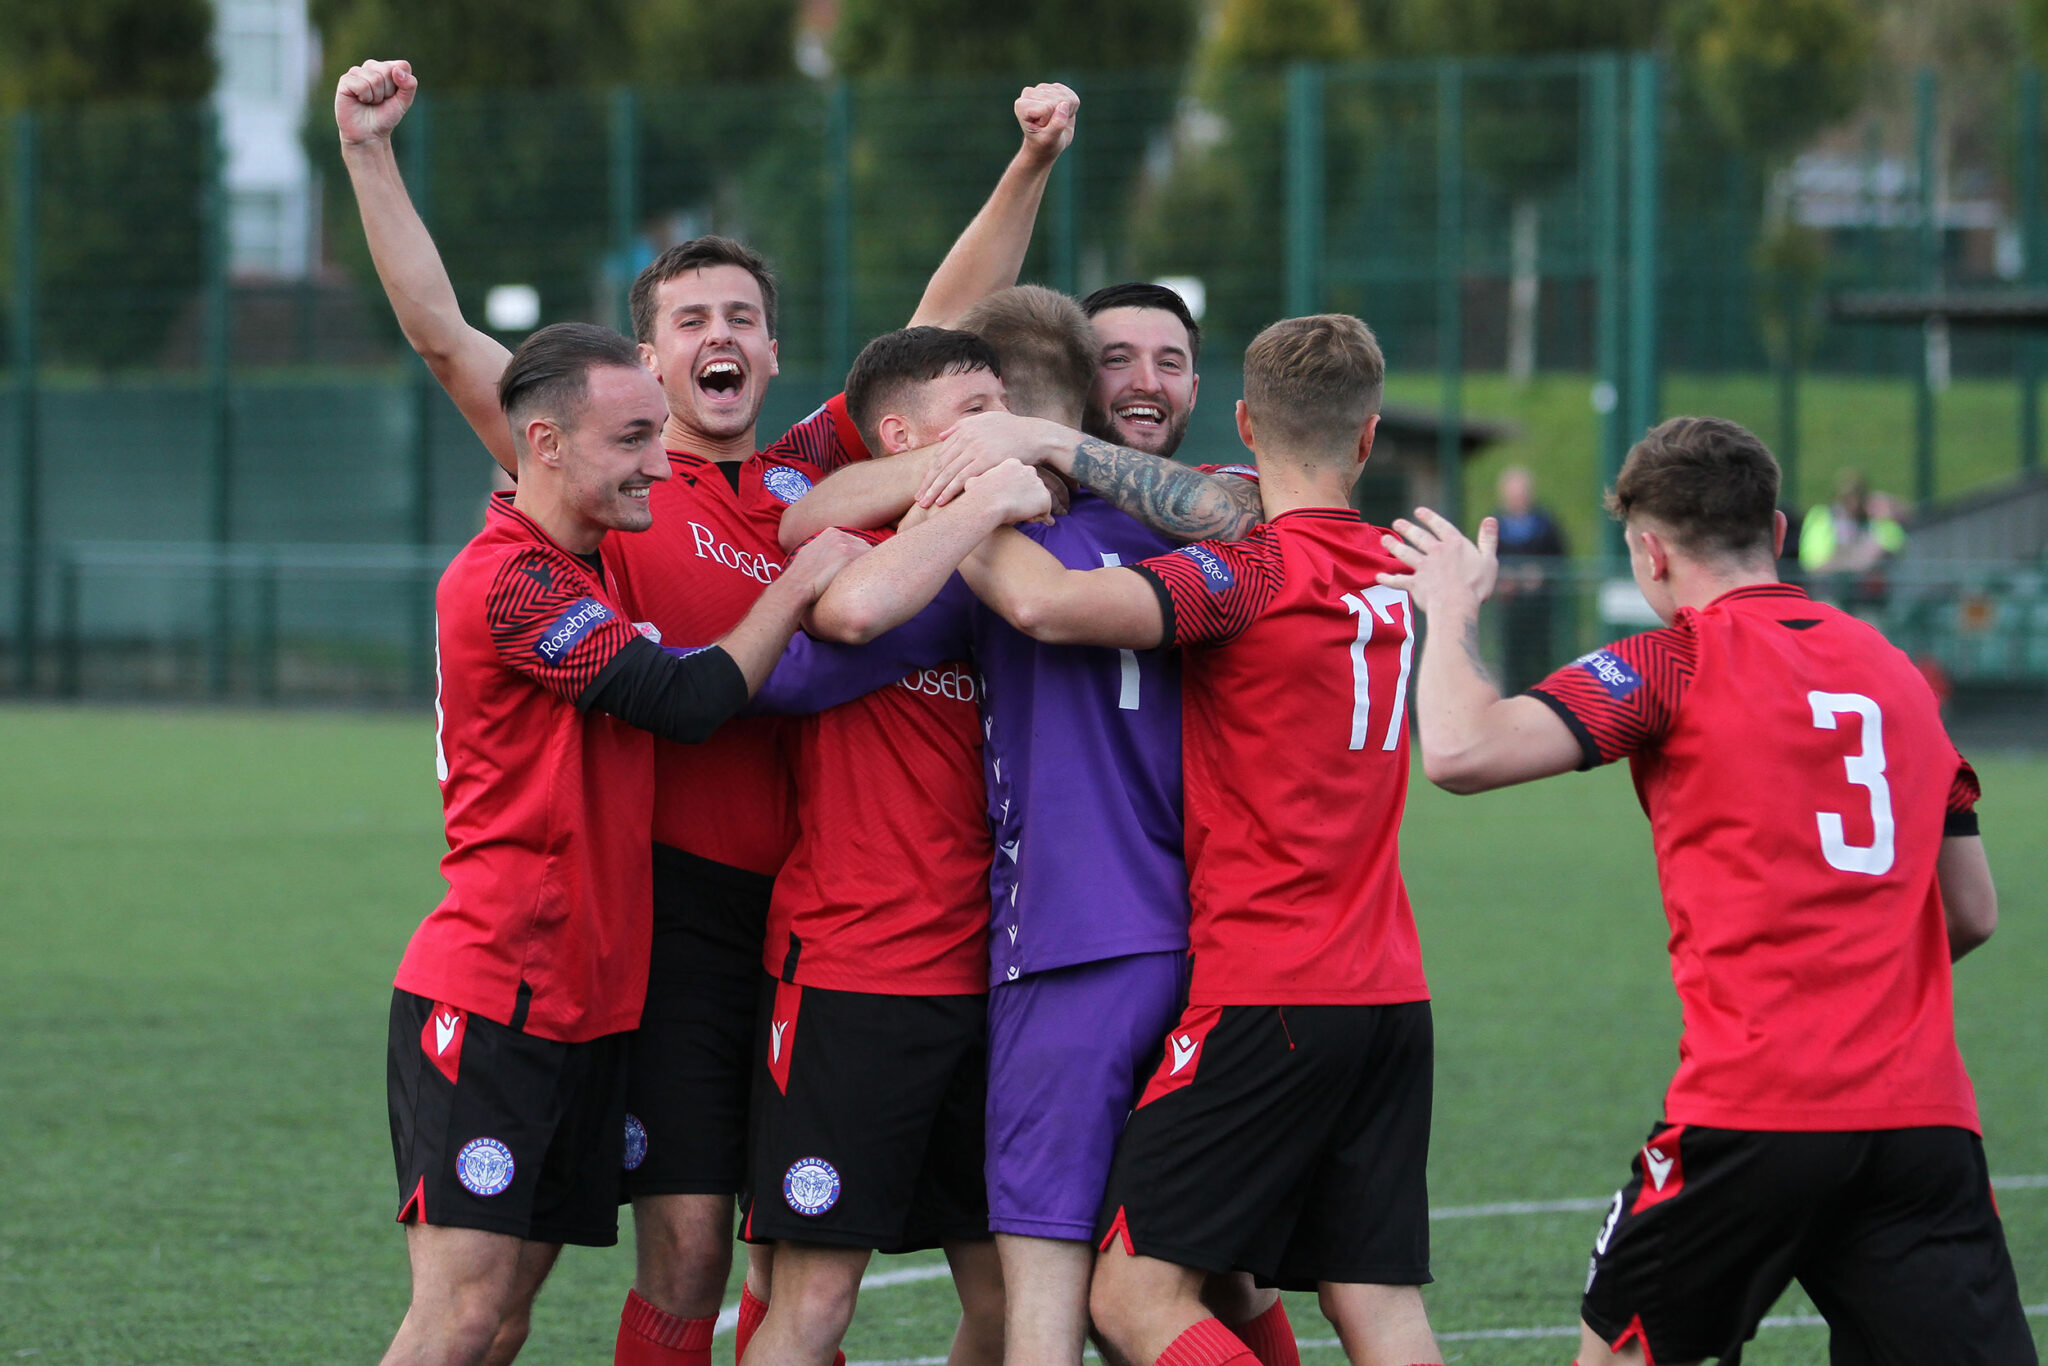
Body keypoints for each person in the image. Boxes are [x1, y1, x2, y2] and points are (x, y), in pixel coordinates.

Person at [336, 57, 1078, 1364]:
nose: (719, 337)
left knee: (790, 1257)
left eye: (742, 316)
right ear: (646, 355)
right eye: (690, 319)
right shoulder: (606, 477)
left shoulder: (806, 472)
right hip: (662, 913)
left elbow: (943, 327)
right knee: (680, 1243)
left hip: (807, 916)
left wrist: (1026, 163)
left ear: (774, 351)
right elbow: (446, 335)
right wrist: (369, 153)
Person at [1377, 416, 2030, 1366]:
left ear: (1649, 551)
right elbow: (1972, 910)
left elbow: (1464, 749)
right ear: (1774, 532)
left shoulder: (1675, 659)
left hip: (1754, 1114)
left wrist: (1452, 613)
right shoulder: (1897, 677)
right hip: (1923, 1123)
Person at [770, 285, 1294, 1366]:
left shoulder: (993, 559)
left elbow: (808, 641)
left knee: (1050, 1302)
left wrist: (944, 505)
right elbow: (1238, 512)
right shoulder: (1209, 524)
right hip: (1216, 948)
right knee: (1205, 1273)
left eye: (1171, 360)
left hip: (1062, 945)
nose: (1146, 382)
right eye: (1122, 360)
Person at [954, 314, 1445, 1366]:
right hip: (1392, 998)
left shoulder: (1250, 576)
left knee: (1130, 1299)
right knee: (1378, 1302)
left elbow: (1042, 603)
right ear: (1366, 441)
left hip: (1271, 990)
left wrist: (953, 499)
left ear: (1239, 423)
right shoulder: (1401, 574)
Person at [383, 323, 865, 1366]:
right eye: (633, 439)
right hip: (497, 993)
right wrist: (797, 581)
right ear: (546, 446)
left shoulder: (586, 568)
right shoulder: (511, 579)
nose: (659, 459)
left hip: (587, 1001)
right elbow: (683, 701)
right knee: (460, 1315)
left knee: (503, 1309)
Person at [736, 327, 1054, 1366]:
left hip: (993, 984)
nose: (1002, 423)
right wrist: (984, 494)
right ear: (901, 440)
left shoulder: (1013, 574)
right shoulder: (855, 566)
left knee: (1013, 1305)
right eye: (978, 408)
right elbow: (835, 609)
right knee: (815, 1305)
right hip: (851, 975)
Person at [1488, 465, 1567, 693]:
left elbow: (1560, 559)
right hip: (1510, 608)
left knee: (1541, 656)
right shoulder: (1495, 526)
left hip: (1539, 607)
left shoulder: (1546, 524)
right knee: (1512, 657)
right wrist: (1501, 579)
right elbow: (1486, 560)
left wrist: (1542, 574)